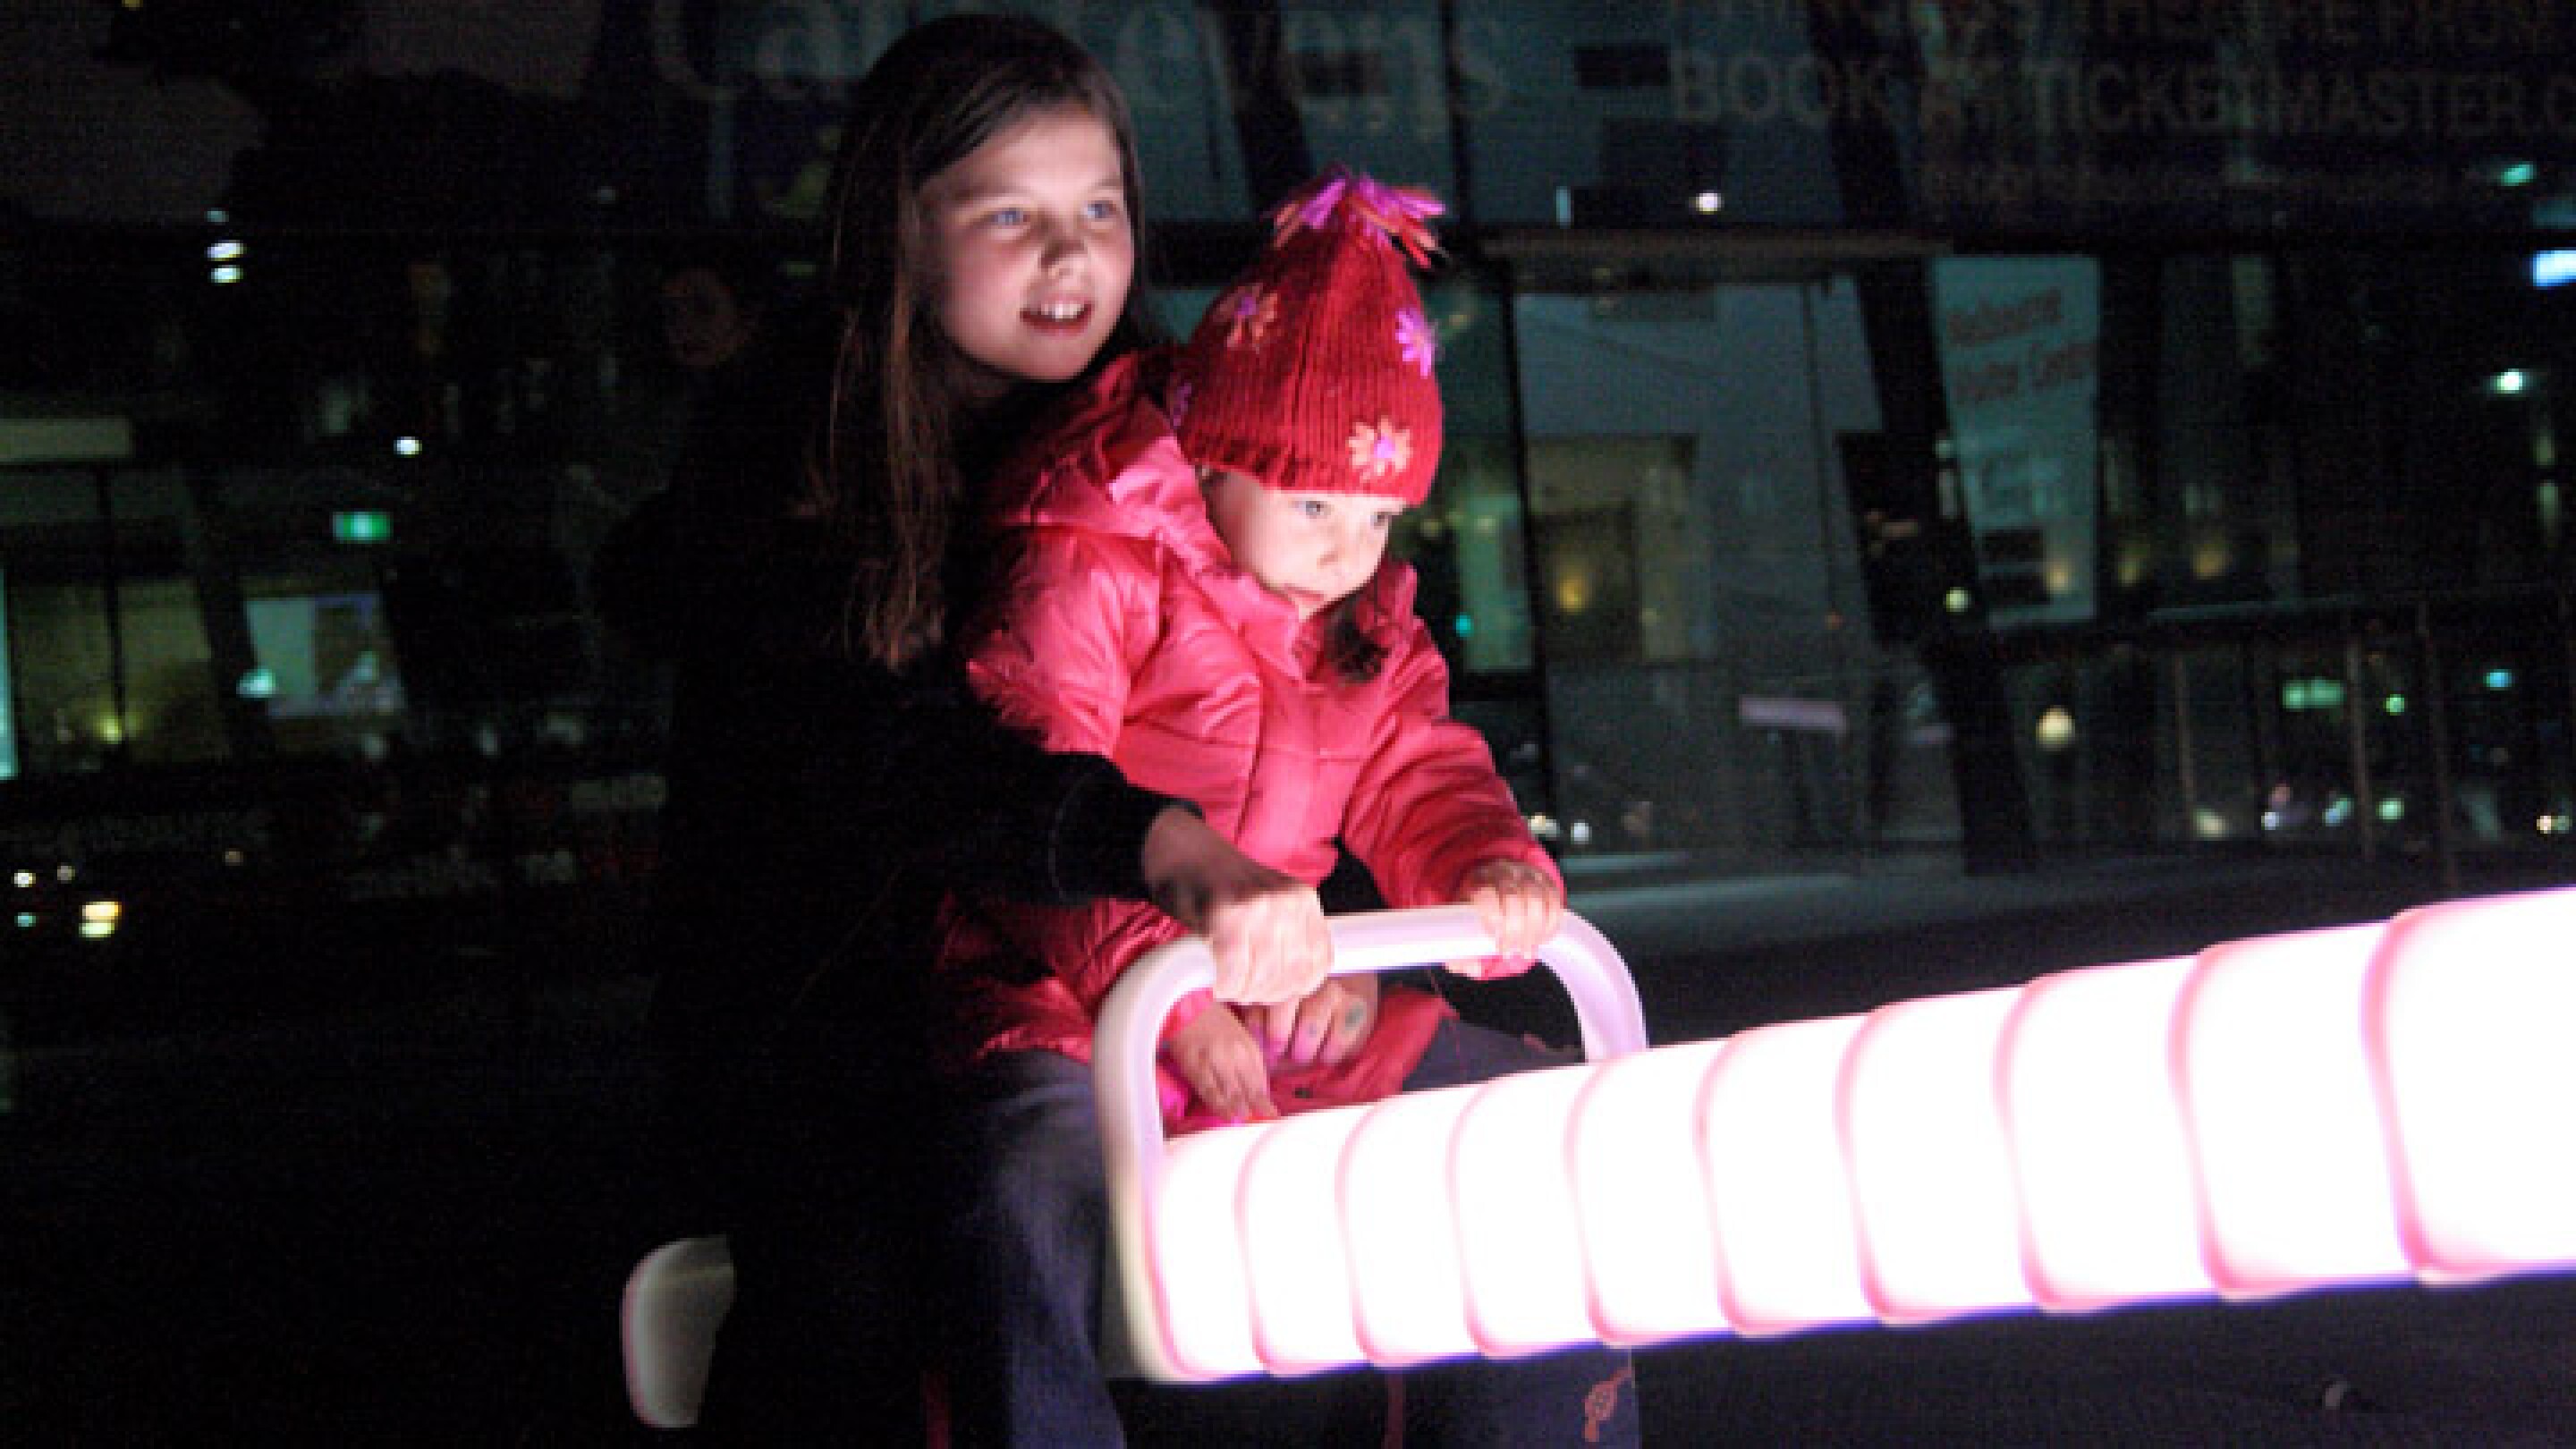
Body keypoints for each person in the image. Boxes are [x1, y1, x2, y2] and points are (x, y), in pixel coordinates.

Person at [593, 16, 1332, 1441]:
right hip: (834, 1009)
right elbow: (902, 761)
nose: (1072, 260)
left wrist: (1333, 897)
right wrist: (1158, 843)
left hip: (1092, 981)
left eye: (1099, 210)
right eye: (1012, 216)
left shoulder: (1167, 430)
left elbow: (1285, 683)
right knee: (862, 1314)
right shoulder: (792, 451)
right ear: (900, 232)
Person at [936, 169, 1643, 1445]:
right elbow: (1032, 779)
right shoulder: (1090, 549)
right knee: (1018, 1200)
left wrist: (1484, 862)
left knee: (1540, 1137)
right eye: (1312, 502)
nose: (1343, 548)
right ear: (1212, 461)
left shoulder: (1358, 620)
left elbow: (1413, 764)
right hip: (1068, 1001)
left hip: (1280, 1003)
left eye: (1376, 514)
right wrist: (1174, 990)